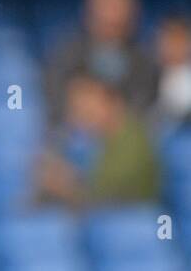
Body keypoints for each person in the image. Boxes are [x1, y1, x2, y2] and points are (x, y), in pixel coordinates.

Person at [43, 0, 158, 132]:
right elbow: (55, 101)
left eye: (119, 6)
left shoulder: (145, 63)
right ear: (90, 11)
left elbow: (143, 107)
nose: (112, 14)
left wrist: (110, 112)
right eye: (107, 5)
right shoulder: (66, 53)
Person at [34, 75, 161, 208]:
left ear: (113, 102)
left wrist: (64, 187)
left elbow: (103, 197)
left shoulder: (132, 142)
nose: (79, 116)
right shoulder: (97, 139)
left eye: (86, 106)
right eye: (75, 108)